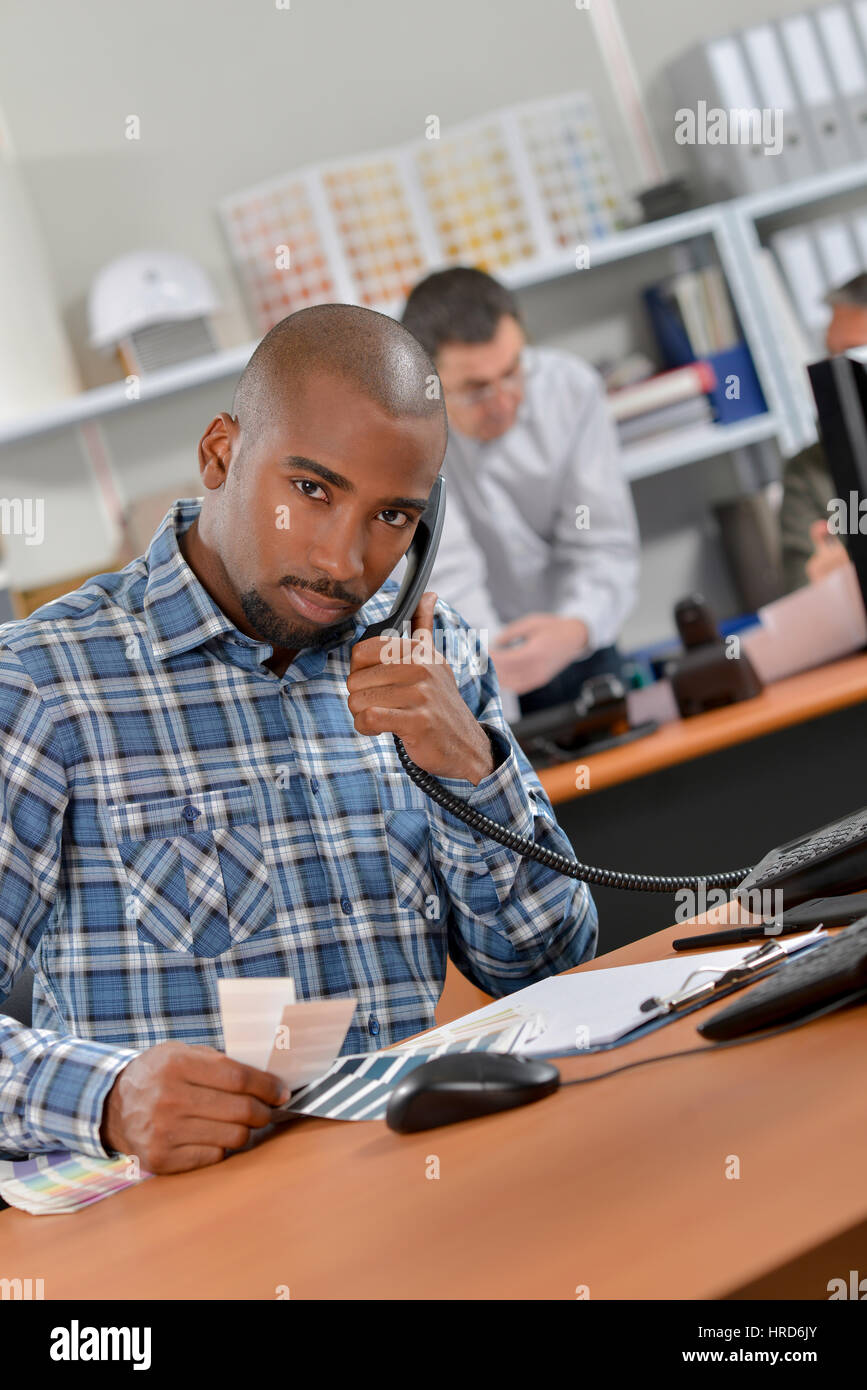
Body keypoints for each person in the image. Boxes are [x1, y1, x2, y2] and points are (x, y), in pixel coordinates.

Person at [0, 304, 597, 1176]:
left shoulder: (430, 654)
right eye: (311, 490)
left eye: (392, 517)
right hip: (181, 1232)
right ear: (219, 455)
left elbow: (546, 966)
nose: (343, 561)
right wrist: (106, 1098)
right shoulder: (45, 684)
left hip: (412, 1180)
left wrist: (473, 769)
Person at [401, 267, 640, 718]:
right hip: (469, 666)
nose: (502, 399)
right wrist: (493, 675)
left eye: (512, 372)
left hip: (579, 639)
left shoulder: (570, 389)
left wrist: (575, 627)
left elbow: (603, 542)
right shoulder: (404, 433)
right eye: (475, 389)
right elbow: (449, 573)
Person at [780, 272, 867, 591]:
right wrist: (835, 590)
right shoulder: (807, 471)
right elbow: (800, 592)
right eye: (831, 357)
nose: (836, 377)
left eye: (855, 355)